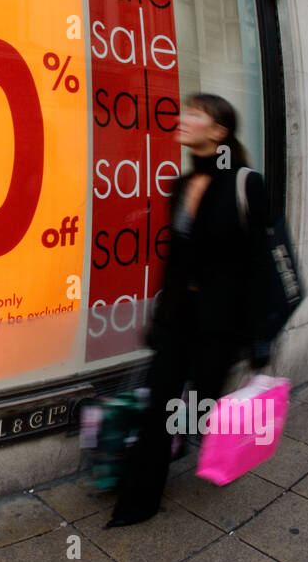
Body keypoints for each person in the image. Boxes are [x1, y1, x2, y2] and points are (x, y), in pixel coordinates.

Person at [107, 93, 271, 527]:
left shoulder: (246, 183)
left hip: (222, 323)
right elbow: (176, 260)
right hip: (179, 317)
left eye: (195, 114)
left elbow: (260, 262)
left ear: (218, 132)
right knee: (161, 405)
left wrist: (259, 337)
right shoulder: (181, 185)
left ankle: (196, 438)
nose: (182, 119)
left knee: (202, 400)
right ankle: (137, 502)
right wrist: (160, 317)